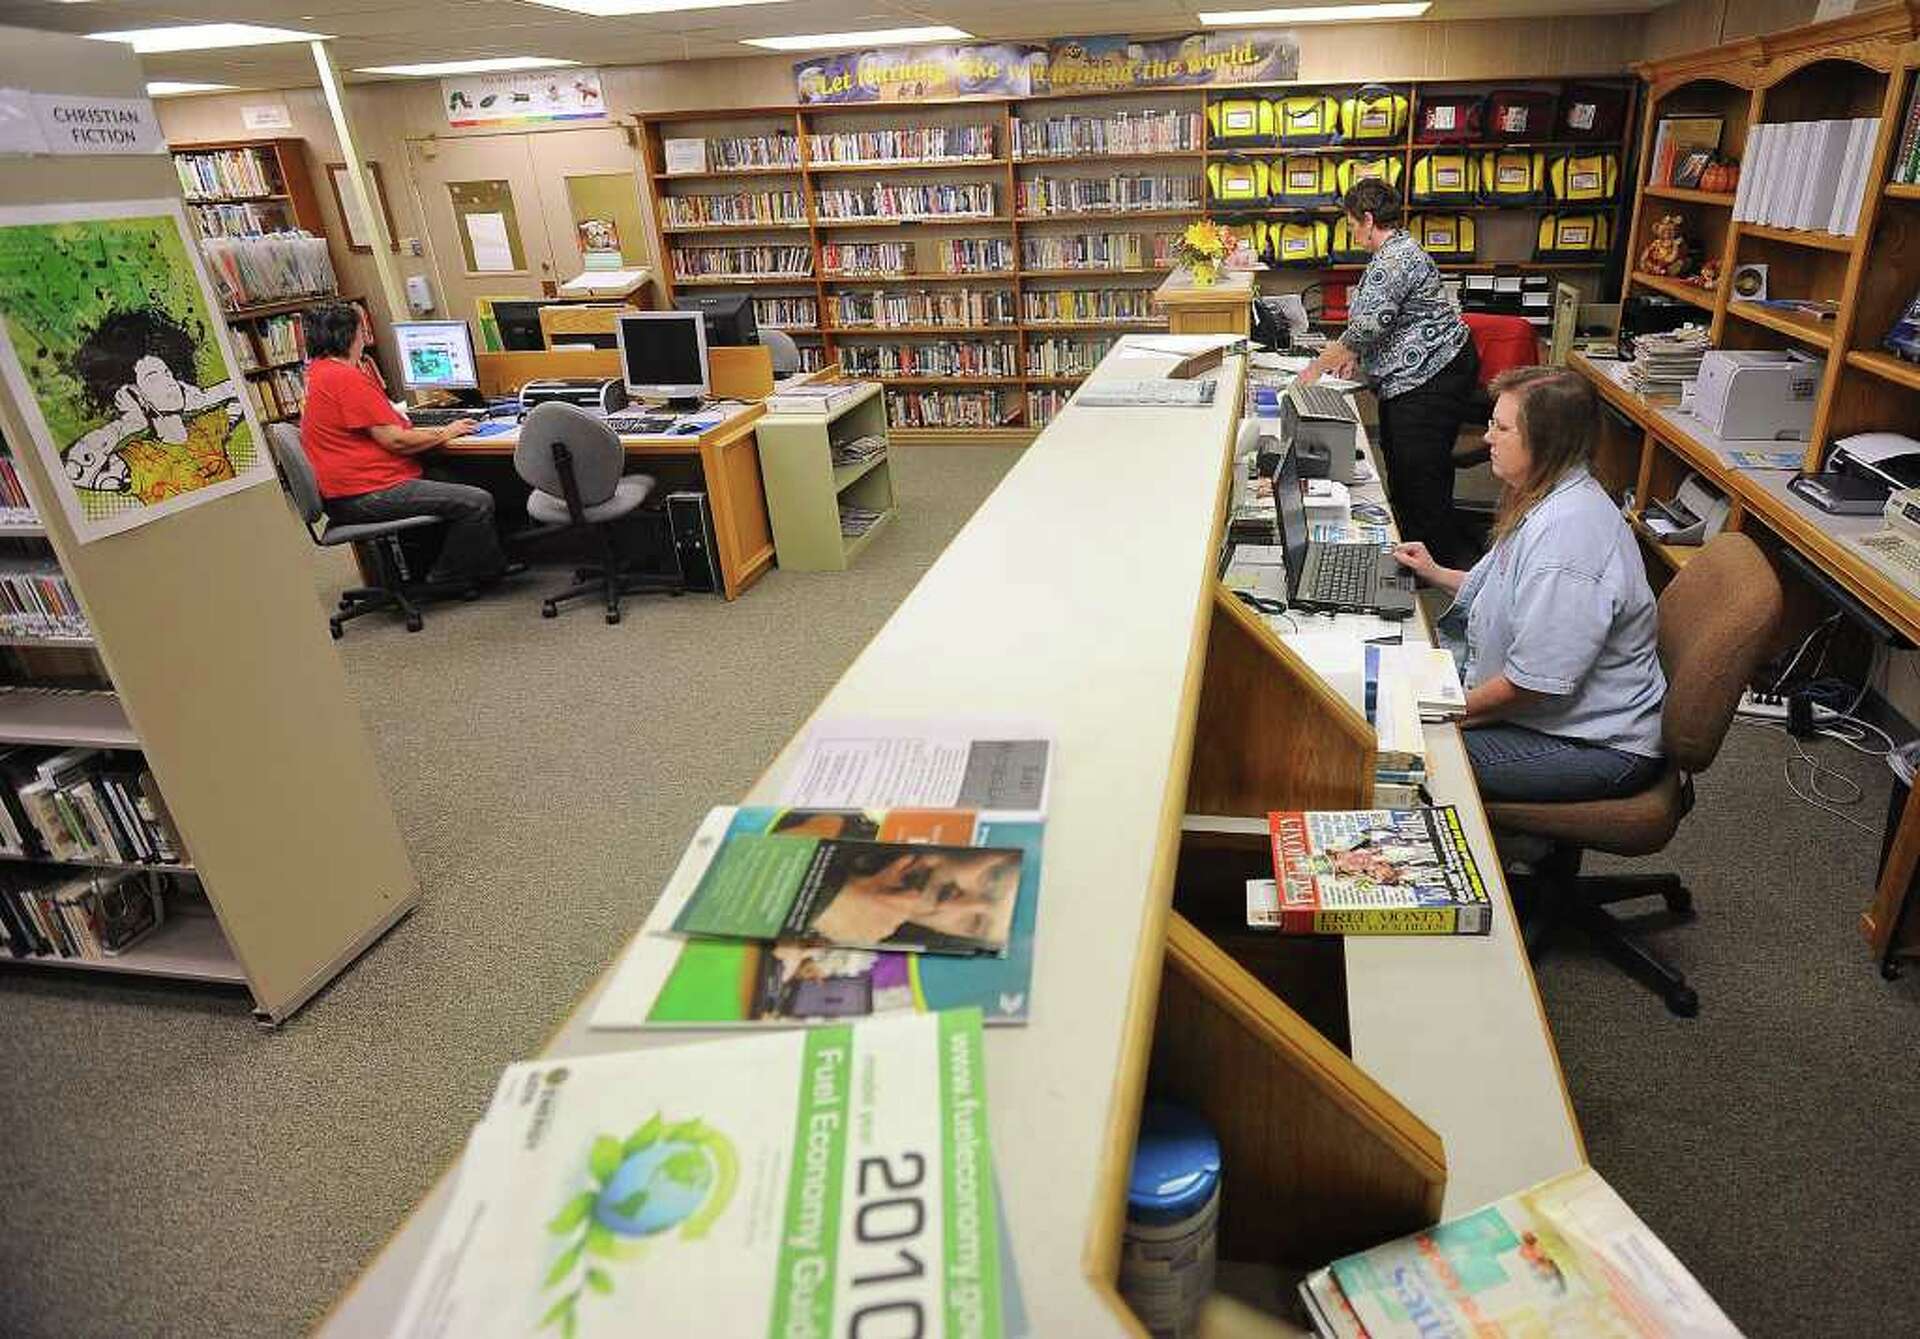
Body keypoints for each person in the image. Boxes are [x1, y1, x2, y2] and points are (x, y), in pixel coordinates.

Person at [1391, 366, 1666, 803]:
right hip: (1553, 715)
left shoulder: (1566, 539)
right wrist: (1436, 572)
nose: (1487, 438)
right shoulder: (1547, 494)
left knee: (1398, 752)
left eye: (1501, 429)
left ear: (1546, 441)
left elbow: (1531, 684)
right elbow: (1508, 593)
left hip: (1596, 744)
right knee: (1391, 710)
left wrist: (1435, 711)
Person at [1300, 178, 1479, 566]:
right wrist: (1353, 354)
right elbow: (1382, 323)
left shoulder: (1393, 260)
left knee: (1419, 475)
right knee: (1403, 466)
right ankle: (1416, 549)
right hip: (1419, 374)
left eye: (1352, 225)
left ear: (1368, 220)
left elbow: (1368, 327)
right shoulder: (1395, 251)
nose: (1352, 235)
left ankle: (1437, 566)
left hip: (1430, 375)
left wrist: (1314, 369)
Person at [298, 302, 511, 584]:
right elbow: (395, 440)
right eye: (362, 331)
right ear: (349, 336)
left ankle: (476, 562)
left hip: (346, 489)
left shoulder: (319, 372)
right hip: (366, 493)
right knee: (477, 501)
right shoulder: (345, 378)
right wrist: (445, 433)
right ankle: (447, 577)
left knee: (458, 476)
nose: (365, 338)